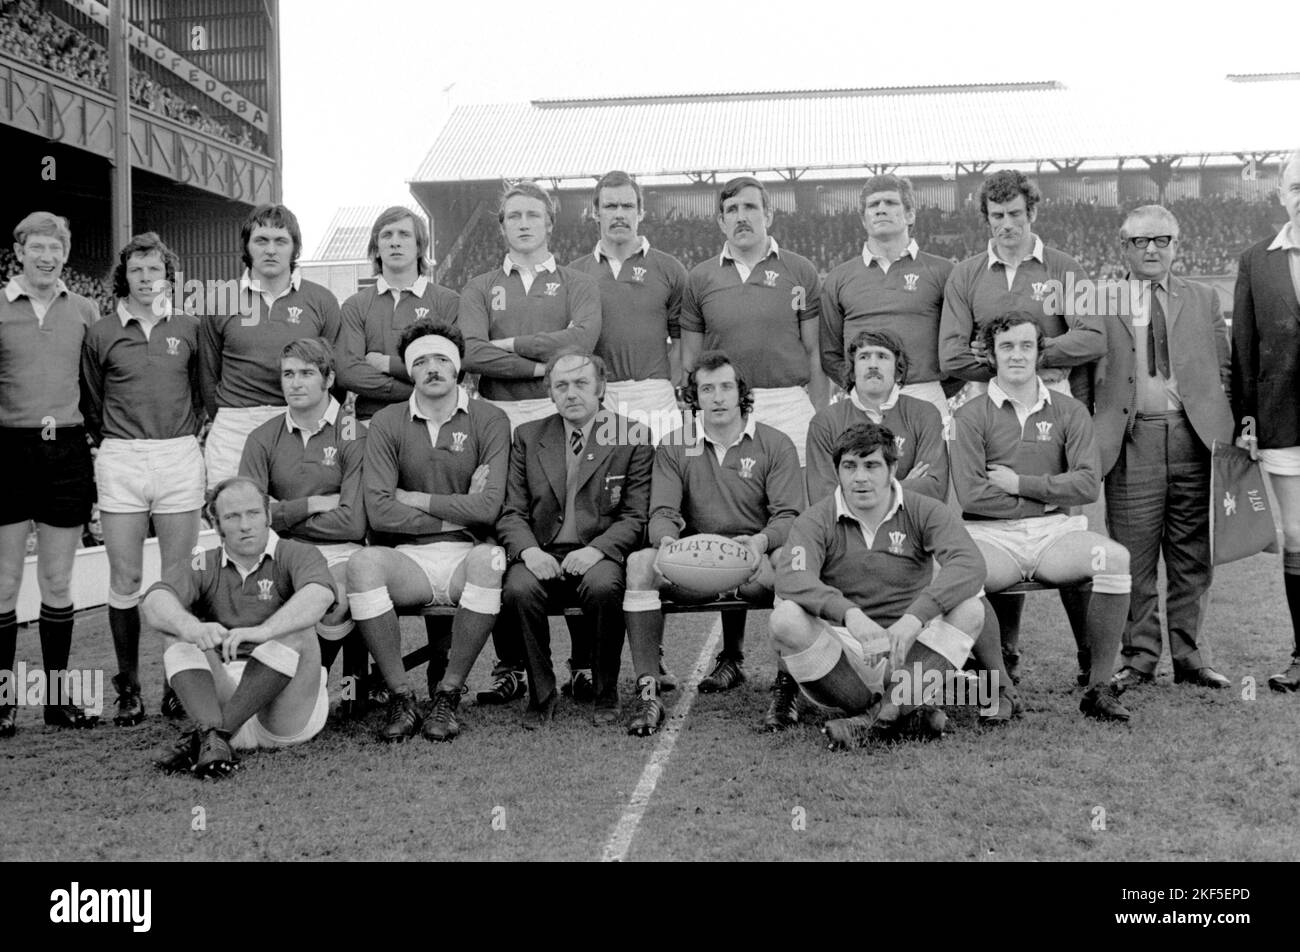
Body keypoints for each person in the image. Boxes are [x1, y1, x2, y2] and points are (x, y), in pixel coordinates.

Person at [939, 171, 1104, 679]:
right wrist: (1009, 359)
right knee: (996, 520)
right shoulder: (967, 274)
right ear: (986, 219)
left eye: (1015, 214)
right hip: (989, 402)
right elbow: (949, 355)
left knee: (1063, 521)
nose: (1006, 224)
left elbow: (1094, 337)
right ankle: (1005, 652)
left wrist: (1025, 352)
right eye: (996, 217)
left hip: (1050, 399)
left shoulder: (1062, 267)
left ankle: (1088, 656)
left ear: (1032, 213)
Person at [770, 422, 1001, 749]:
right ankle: (900, 711)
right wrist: (850, 614)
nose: (860, 477)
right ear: (837, 471)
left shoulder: (923, 509)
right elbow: (792, 578)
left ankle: (877, 718)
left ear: (892, 468)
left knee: (970, 607)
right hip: (848, 653)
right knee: (785, 618)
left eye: (871, 465)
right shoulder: (816, 519)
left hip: (908, 649)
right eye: (849, 466)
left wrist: (914, 619)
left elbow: (969, 564)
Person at [950, 313, 1133, 720]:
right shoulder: (970, 415)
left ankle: (1099, 687)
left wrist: (1020, 485)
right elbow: (973, 494)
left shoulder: (1068, 411)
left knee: (1115, 559)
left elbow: (1087, 485)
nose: (1017, 355)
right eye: (1006, 347)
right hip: (992, 535)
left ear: (1040, 352)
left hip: (1054, 534)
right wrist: (1050, 494)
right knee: (962, 576)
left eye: (1026, 346)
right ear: (992, 356)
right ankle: (1000, 688)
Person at [622, 351, 803, 735]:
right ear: (694, 397)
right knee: (640, 563)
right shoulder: (675, 445)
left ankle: (788, 687)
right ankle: (648, 690)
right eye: (707, 389)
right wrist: (666, 540)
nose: (718, 397)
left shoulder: (776, 443)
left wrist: (760, 540)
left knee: (792, 560)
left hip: (754, 560)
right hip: (697, 563)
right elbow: (663, 512)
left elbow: (788, 516)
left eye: (726, 387)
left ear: (741, 392)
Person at [346, 321, 509, 741]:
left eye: (440, 359)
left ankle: (447, 695)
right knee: (363, 565)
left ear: (457, 368)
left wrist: (415, 498)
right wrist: (461, 510)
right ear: (410, 371)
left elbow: (489, 508)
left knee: (492, 559)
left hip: (466, 553)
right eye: (420, 361)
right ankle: (402, 695)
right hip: (409, 558)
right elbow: (380, 512)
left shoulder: (490, 418)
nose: (431, 368)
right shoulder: (385, 421)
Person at [1094, 206, 1233, 689]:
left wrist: (1227, 429)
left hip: (1192, 436)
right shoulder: (1100, 300)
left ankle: (1191, 656)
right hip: (1133, 439)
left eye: (1161, 240)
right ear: (1123, 247)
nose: (1151, 249)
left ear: (1177, 244)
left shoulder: (1204, 298)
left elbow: (1224, 369)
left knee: (1192, 554)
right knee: (1133, 556)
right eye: (1140, 241)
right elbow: (1084, 377)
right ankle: (1140, 657)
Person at [82, 232, 206, 726]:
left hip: (177, 454)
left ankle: (176, 686)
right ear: (125, 277)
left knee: (177, 577)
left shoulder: (191, 327)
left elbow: (203, 394)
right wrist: (122, 441)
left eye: (155, 270)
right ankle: (128, 688)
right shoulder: (102, 331)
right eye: (137, 271)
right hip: (123, 456)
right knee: (127, 578)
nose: (147, 278)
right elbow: (92, 403)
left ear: (168, 276)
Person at [497, 352, 652, 728]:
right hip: (542, 551)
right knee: (518, 589)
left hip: (598, 554)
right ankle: (542, 694)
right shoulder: (528, 437)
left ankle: (605, 691)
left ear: (601, 387)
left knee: (603, 587)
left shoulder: (632, 436)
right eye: (561, 385)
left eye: (581, 384)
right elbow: (511, 512)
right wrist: (530, 551)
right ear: (549, 392)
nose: (571, 393)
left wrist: (597, 550)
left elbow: (636, 516)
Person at [143, 477, 336, 778]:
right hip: (226, 694)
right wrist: (191, 626)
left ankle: (210, 738)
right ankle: (214, 736)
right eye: (232, 517)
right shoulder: (202, 563)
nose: (245, 525)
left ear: (268, 516)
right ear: (217, 525)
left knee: (301, 629)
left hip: (285, 714)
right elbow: (155, 600)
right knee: (175, 632)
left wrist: (264, 631)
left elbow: (320, 596)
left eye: (253, 513)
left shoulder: (296, 553)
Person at [0, 212, 101, 737]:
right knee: (3, 582)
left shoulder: (84, 309)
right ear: (19, 250)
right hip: (8, 448)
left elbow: (94, 386)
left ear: (64, 253)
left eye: (54, 248)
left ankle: (58, 702)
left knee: (57, 581)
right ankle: (2, 704)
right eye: (36, 247)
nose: (46, 257)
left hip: (63, 448)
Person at [238, 338, 366, 686]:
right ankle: (268, 685)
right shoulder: (262, 438)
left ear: (328, 379)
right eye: (288, 373)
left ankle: (308, 688)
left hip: (342, 552)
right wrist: (310, 505)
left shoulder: (355, 434)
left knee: (334, 599)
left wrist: (281, 514)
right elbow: (247, 517)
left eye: (307, 373)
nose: (295, 382)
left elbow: (354, 522)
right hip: (284, 552)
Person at [681, 176, 828, 466]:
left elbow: (815, 351)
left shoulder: (800, 271)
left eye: (750, 207)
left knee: (797, 501)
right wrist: (696, 418)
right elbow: (690, 360)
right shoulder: (700, 278)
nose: (741, 217)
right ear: (721, 222)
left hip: (789, 405)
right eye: (732, 210)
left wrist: (819, 414)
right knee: (731, 502)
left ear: (768, 215)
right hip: (726, 406)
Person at [199, 203, 341, 484]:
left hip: (299, 419)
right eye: (261, 240)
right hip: (235, 426)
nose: (271, 250)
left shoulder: (322, 300)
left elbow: (334, 372)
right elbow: (207, 373)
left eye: (280, 241)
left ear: (295, 248)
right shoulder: (219, 299)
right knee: (234, 513)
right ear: (247, 246)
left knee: (298, 517)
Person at [1232, 149, 1300, 693]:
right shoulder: (1258, 259)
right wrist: (1247, 418)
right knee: (1298, 535)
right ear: (1280, 193)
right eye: (1296, 186)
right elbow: (1244, 347)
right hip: (1284, 418)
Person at [460, 180, 602, 431]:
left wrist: (507, 345)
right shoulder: (478, 287)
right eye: (514, 216)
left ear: (549, 225)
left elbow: (582, 342)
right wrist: (542, 368)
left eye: (533, 215)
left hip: (557, 410)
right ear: (502, 227)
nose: (524, 224)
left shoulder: (579, 283)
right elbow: (470, 353)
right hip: (495, 412)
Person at [820, 175, 955, 419]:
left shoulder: (944, 272)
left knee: (936, 458)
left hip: (925, 392)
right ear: (864, 219)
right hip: (864, 398)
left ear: (910, 214)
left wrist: (932, 387)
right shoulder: (838, 278)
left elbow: (959, 343)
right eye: (873, 205)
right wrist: (859, 384)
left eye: (891, 203)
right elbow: (830, 352)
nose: (881, 209)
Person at [568, 170, 688, 443]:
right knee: (604, 484)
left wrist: (665, 387)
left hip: (656, 396)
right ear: (596, 213)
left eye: (627, 206)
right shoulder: (574, 274)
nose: (619, 213)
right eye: (610, 206)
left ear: (641, 212)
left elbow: (683, 342)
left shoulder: (670, 269)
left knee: (663, 481)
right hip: (600, 398)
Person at [335, 206, 460, 424]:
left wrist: (386, 364)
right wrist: (421, 391)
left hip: (434, 421)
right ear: (376, 248)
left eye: (404, 234)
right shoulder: (355, 305)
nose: (395, 242)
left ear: (420, 247)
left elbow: (454, 368)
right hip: (372, 421)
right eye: (386, 235)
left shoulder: (448, 301)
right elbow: (349, 372)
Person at [806, 330, 947, 504]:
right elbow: (824, 500)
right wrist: (900, 487)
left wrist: (856, 492)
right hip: (847, 529)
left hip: (911, 526)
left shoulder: (925, 414)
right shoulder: (825, 422)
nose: (873, 365)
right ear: (851, 371)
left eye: (882, 356)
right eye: (864, 357)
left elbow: (933, 489)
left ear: (898, 371)